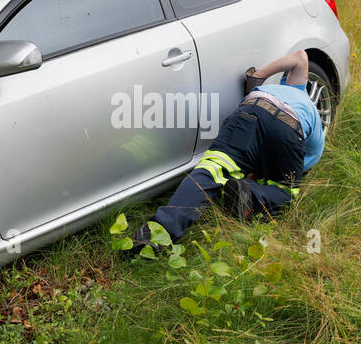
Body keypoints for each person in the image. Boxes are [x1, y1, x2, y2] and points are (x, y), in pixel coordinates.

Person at [130, 50, 326, 251]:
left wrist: (257, 77)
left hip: (251, 107)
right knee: (284, 191)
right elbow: (296, 165)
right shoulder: (316, 131)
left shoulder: (289, 88)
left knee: (211, 170)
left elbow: (301, 56)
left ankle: (157, 233)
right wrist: (257, 176)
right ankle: (250, 197)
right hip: (289, 126)